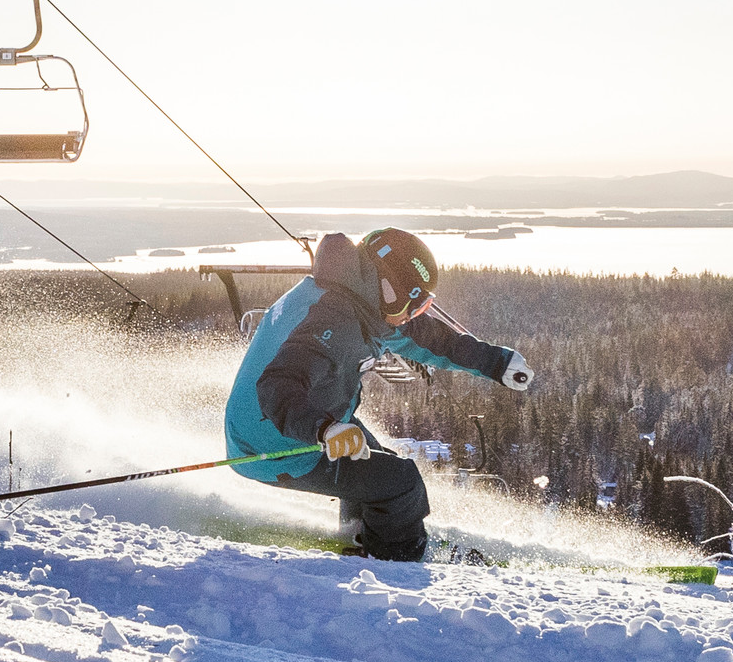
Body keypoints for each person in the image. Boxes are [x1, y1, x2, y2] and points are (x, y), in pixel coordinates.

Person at [223, 227, 534, 561]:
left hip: (291, 420)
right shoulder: (332, 319)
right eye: (414, 304)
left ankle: (360, 532)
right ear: (389, 290)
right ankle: (396, 561)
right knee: (401, 483)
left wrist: (496, 363)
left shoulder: (360, 302)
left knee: (373, 459)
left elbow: (432, 340)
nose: (413, 315)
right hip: (272, 442)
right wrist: (324, 429)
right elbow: (278, 385)